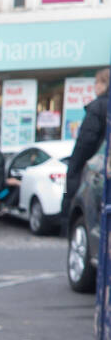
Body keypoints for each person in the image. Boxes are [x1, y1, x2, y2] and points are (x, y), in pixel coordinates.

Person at [63, 67, 109, 224]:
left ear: (104, 84)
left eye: (96, 82)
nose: (94, 87)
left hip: (97, 172)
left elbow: (84, 145)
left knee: (91, 218)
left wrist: (74, 168)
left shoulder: (97, 107)